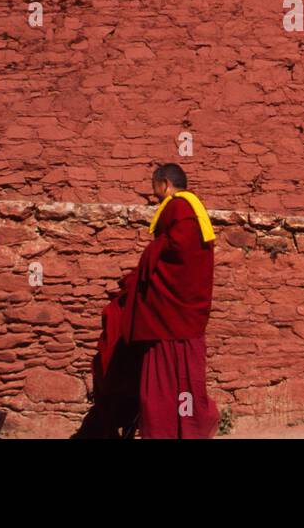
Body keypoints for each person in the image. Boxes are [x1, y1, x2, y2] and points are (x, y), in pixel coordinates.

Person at [77, 163, 218, 439]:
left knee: (161, 380)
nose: (154, 197)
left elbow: (171, 254)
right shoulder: (196, 212)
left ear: (165, 184)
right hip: (183, 313)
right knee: (183, 377)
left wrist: (140, 273)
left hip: (168, 316)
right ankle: (188, 428)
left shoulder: (178, 208)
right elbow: (181, 261)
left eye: (155, 190)